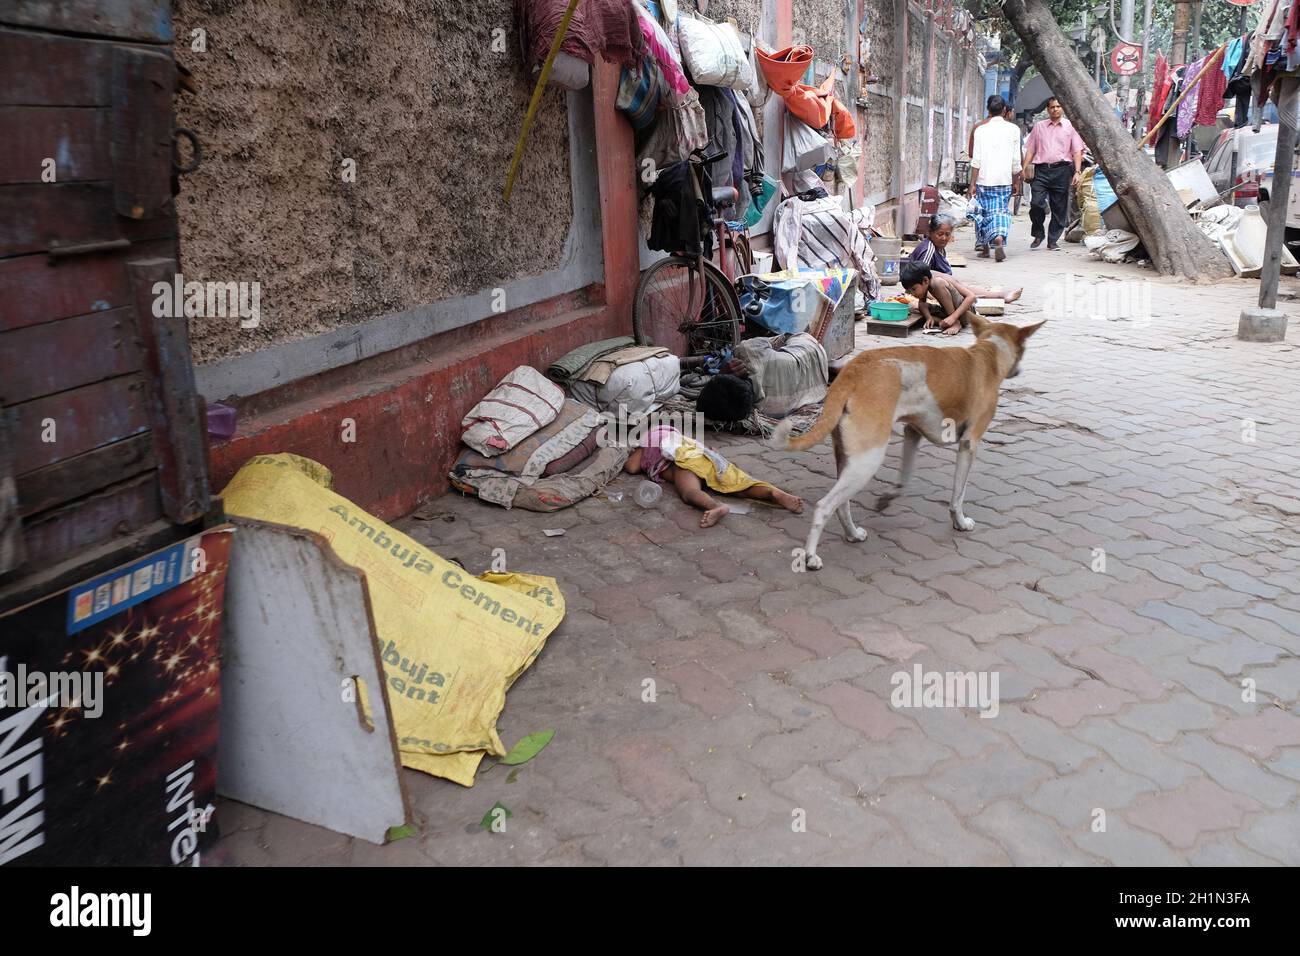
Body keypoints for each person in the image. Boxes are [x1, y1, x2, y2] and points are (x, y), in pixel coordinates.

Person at [624, 424, 803, 527]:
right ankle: (774, 493)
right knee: (739, 485)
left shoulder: (649, 444)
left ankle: (715, 506)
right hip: (709, 458)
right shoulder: (684, 440)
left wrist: (632, 453)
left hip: (685, 464)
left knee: (689, 492)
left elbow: (632, 467)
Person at [911, 215, 1022, 303]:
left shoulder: (938, 247)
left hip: (938, 285)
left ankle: (1000, 295)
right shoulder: (928, 249)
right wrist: (928, 297)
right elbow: (919, 276)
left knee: (960, 285)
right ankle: (1000, 295)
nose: (944, 238)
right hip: (927, 288)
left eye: (947, 234)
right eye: (940, 234)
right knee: (954, 284)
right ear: (930, 233)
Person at [1022, 97, 1085, 250]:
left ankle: (1052, 241)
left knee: (1059, 208)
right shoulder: (1039, 127)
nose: (1055, 109)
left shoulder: (1070, 127)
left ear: (1062, 108)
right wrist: (1024, 168)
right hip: (1041, 170)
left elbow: (1077, 150)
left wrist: (1077, 172)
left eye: (1058, 106)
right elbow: (1031, 149)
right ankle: (1038, 233)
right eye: (1052, 107)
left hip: (1062, 171)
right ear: (1047, 109)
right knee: (1036, 203)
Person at [967, 94, 1022, 261]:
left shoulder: (980, 129)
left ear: (988, 110)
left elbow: (976, 159)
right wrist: (1016, 181)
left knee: (982, 213)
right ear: (1005, 110)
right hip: (1004, 180)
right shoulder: (1014, 130)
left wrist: (972, 184)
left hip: (984, 179)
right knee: (1000, 212)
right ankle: (999, 237)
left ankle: (984, 248)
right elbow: (1016, 160)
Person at [901, 261, 977, 336]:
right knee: (915, 309)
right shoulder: (925, 285)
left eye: (914, 289)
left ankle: (955, 323)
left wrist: (953, 318)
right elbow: (922, 304)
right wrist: (929, 317)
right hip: (948, 312)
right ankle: (944, 321)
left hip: (966, 312)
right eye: (909, 291)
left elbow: (971, 296)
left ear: (925, 280)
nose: (913, 294)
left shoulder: (937, 281)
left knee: (937, 284)